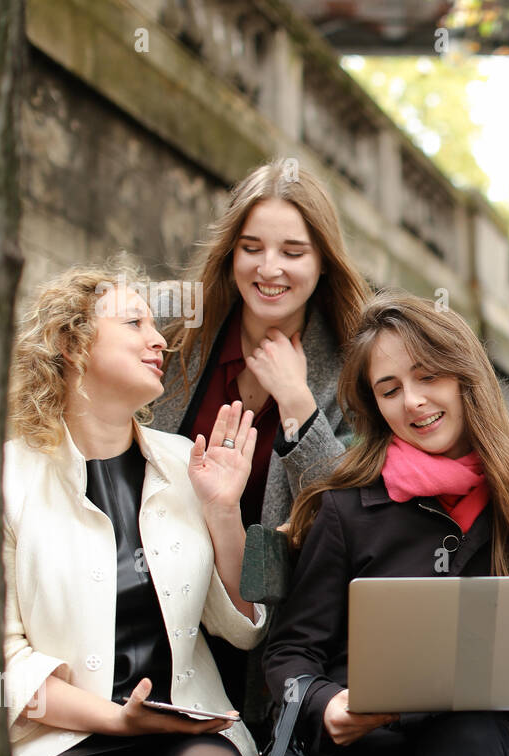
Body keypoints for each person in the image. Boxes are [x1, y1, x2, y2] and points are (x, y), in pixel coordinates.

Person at [262, 291, 509, 756]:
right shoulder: (346, 508)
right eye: (389, 389)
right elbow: (289, 656)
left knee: (470, 738)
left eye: (427, 375)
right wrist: (326, 706)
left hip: (484, 750)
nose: (413, 402)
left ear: (465, 376)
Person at [2, 264, 267, 756]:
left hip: (182, 724)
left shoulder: (184, 464)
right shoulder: (5, 477)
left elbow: (245, 627)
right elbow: (4, 660)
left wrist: (224, 511)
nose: (160, 340)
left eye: (156, 324)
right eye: (134, 323)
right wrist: (120, 721)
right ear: (71, 346)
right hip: (62, 739)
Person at [152, 159, 370, 723]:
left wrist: (297, 403)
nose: (269, 268)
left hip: (269, 632)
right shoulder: (172, 336)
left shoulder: (358, 366)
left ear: (323, 264)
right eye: (252, 247)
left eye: (293, 253)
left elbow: (347, 510)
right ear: (230, 254)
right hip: (155, 611)